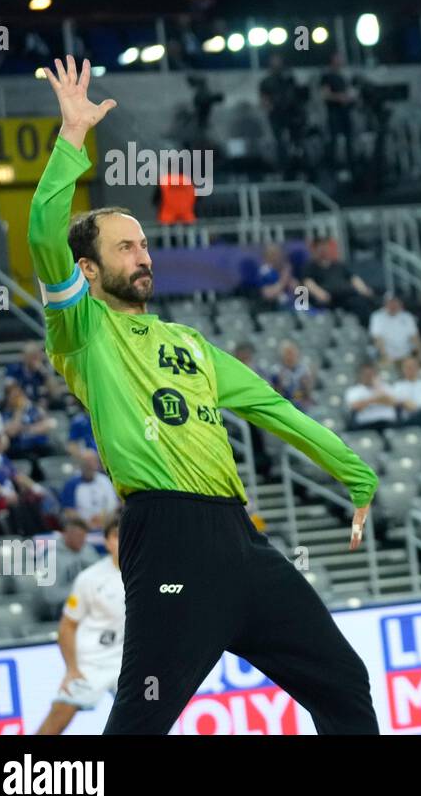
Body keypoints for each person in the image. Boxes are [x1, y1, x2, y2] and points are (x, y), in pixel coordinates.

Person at [32, 56, 379, 735]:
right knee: (140, 719)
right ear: (87, 269)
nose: (143, 255)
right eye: (125, 247)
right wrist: (72, 137)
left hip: (240, 539)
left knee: (343, 681)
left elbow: (274, 409)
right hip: (168, 539)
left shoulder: (188, 342)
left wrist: (354, 473)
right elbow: (44, 230)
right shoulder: (81, 329)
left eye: (143, 244)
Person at [36, 517, 124, 735]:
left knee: (152, 715)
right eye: (116, 536)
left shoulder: (148, 573)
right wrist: (72, 670)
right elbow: (67, 626)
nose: (123, 540)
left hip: (128, 660)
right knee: (58, 717)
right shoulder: (90, 578)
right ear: (107, 542)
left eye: (127, 534)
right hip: (93, 660)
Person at [301, 236, 376, 325]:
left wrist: (364, 289)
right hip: (330, 299)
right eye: (320, 247)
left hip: (347, 295)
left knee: (365, 302)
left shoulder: (338, 265)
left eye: (325, 247)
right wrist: (319, 293)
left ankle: (370, 327)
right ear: (314, 249)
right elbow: (308, 282)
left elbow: (353, 278)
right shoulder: (310, 267)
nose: (323, 250)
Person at [60, 449, 121, 530]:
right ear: (80, 464)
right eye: (86, 462)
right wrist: (87, 524)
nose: (89, 465)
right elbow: (69, 511)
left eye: (92, 461)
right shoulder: (71, 485)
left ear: (98, 463)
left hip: (108, 525)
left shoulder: (106, 480)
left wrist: (106, 521)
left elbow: (117, 504)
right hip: (83, 529)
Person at [368, 294, 421, 366]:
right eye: (390, 302)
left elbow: (415, 337)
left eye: (395, 302)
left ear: (400, 303)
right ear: (385, 303)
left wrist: (420, 355)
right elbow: (377, 339)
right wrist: (385, 356)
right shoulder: (377, 316)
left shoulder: (407, 316)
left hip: (406, 357)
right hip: (385, 356)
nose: (393, 305)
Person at [344, 361, 398, 431]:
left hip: (388, 423)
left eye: (372, 374)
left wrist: (378, 388)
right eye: (366, 374)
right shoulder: (354, 390)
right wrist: (377, 399)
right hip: (367, 424)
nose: (369, 377)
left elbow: (394, 402)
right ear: (360, 375)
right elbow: (355, 407)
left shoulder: (385, 387)